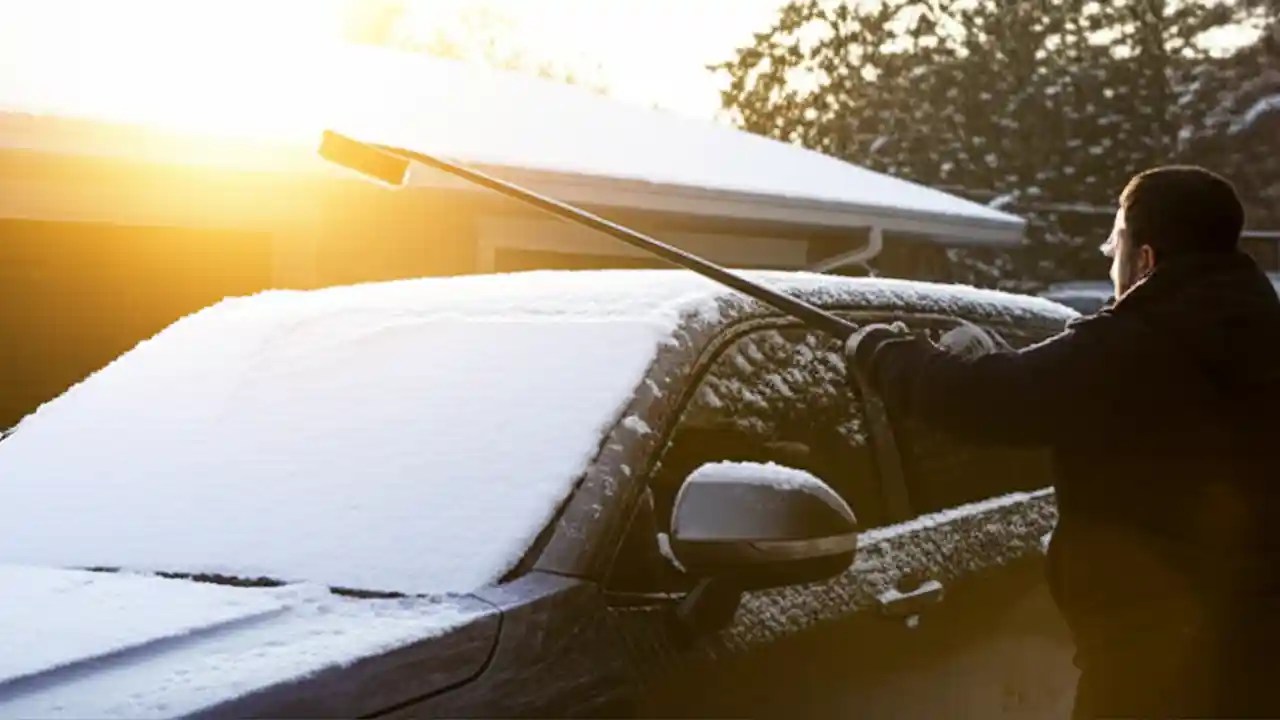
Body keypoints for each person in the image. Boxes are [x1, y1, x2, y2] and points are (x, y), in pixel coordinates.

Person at [847, 166, 1280, 719]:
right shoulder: (1260, 336)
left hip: (1156, 662)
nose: (1109, 258)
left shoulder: (1138, 345)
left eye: (1114, 241)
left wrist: (885, 356)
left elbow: (990, 403)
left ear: (1145, 259)